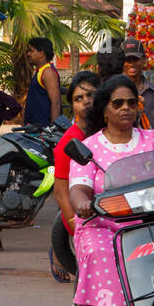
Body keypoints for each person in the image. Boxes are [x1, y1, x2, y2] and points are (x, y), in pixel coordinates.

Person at [69, 74, 154, 306]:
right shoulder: (89, 147)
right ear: (104, 109)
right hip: (106, 223)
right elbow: (78, 187)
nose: (126, 108)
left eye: (131, 102)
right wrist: (83, 204)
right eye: (118, 103)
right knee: (99, 251)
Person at [49, 70, 100, 283]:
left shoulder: (112, 131)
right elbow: (61, 195)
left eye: (91, 95)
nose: (86, 102)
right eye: (79, 98)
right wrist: (80, 232)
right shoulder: (67, 144)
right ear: (73, 105)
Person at [120, 38, 154, 133]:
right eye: (127, 60)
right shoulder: (114, 91)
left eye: (136, 59)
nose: (131, 64)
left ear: (144, 60)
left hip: (153, 146)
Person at [24, 37, 61, 127]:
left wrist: (53, 131)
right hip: (35, 129)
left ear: (41, 53)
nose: (28, 54)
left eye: (31, 51)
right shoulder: (40, 71)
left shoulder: (47, 72)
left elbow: (56, 102)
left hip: (43, 131)